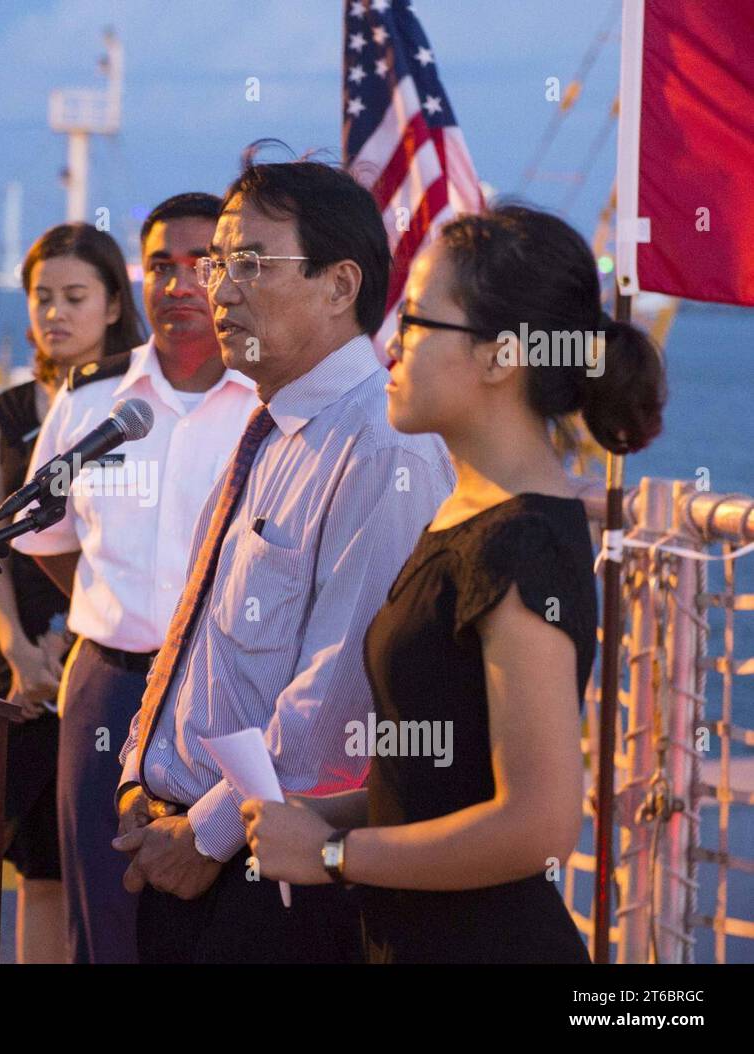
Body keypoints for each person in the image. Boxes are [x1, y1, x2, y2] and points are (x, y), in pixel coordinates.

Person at [240, 204, 666, 964]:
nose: (390, 348)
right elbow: (447, 779)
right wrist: (327, 816)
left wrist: (335, 855)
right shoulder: (466, 516)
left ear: (502, 357)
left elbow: (536, 826)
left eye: (414, 323)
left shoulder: (521, 544)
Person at [112, 151, 454, 964]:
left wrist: (206, 835)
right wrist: (135, 771)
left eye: (250, 263)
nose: (217, 290)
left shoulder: (379, 447)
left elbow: (338, 701)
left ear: (341, 286)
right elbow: (198, 637)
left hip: (267, 881)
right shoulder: (272, 425)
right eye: (218, 263)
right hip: (177, 845)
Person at [12, 193, 260, 963]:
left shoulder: (268, 404)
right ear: (138, 281)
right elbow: (43, 535)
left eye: (202, 264)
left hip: (230, 693)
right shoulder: (90, 399)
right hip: (107, 687)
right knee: (103, 912)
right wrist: (115, 600)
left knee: (228, 911)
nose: (180, 283)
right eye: (160, 265)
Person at [0, 223, 145, 963]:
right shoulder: (13, 410)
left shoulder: (138, 403)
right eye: (42, 298)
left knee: (110, 862)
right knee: (37, 866)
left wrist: (74, 641)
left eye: (75, 296)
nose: (55, 313)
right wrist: (14, 647)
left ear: (113, 303)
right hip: (22, 661)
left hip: (106, 650)